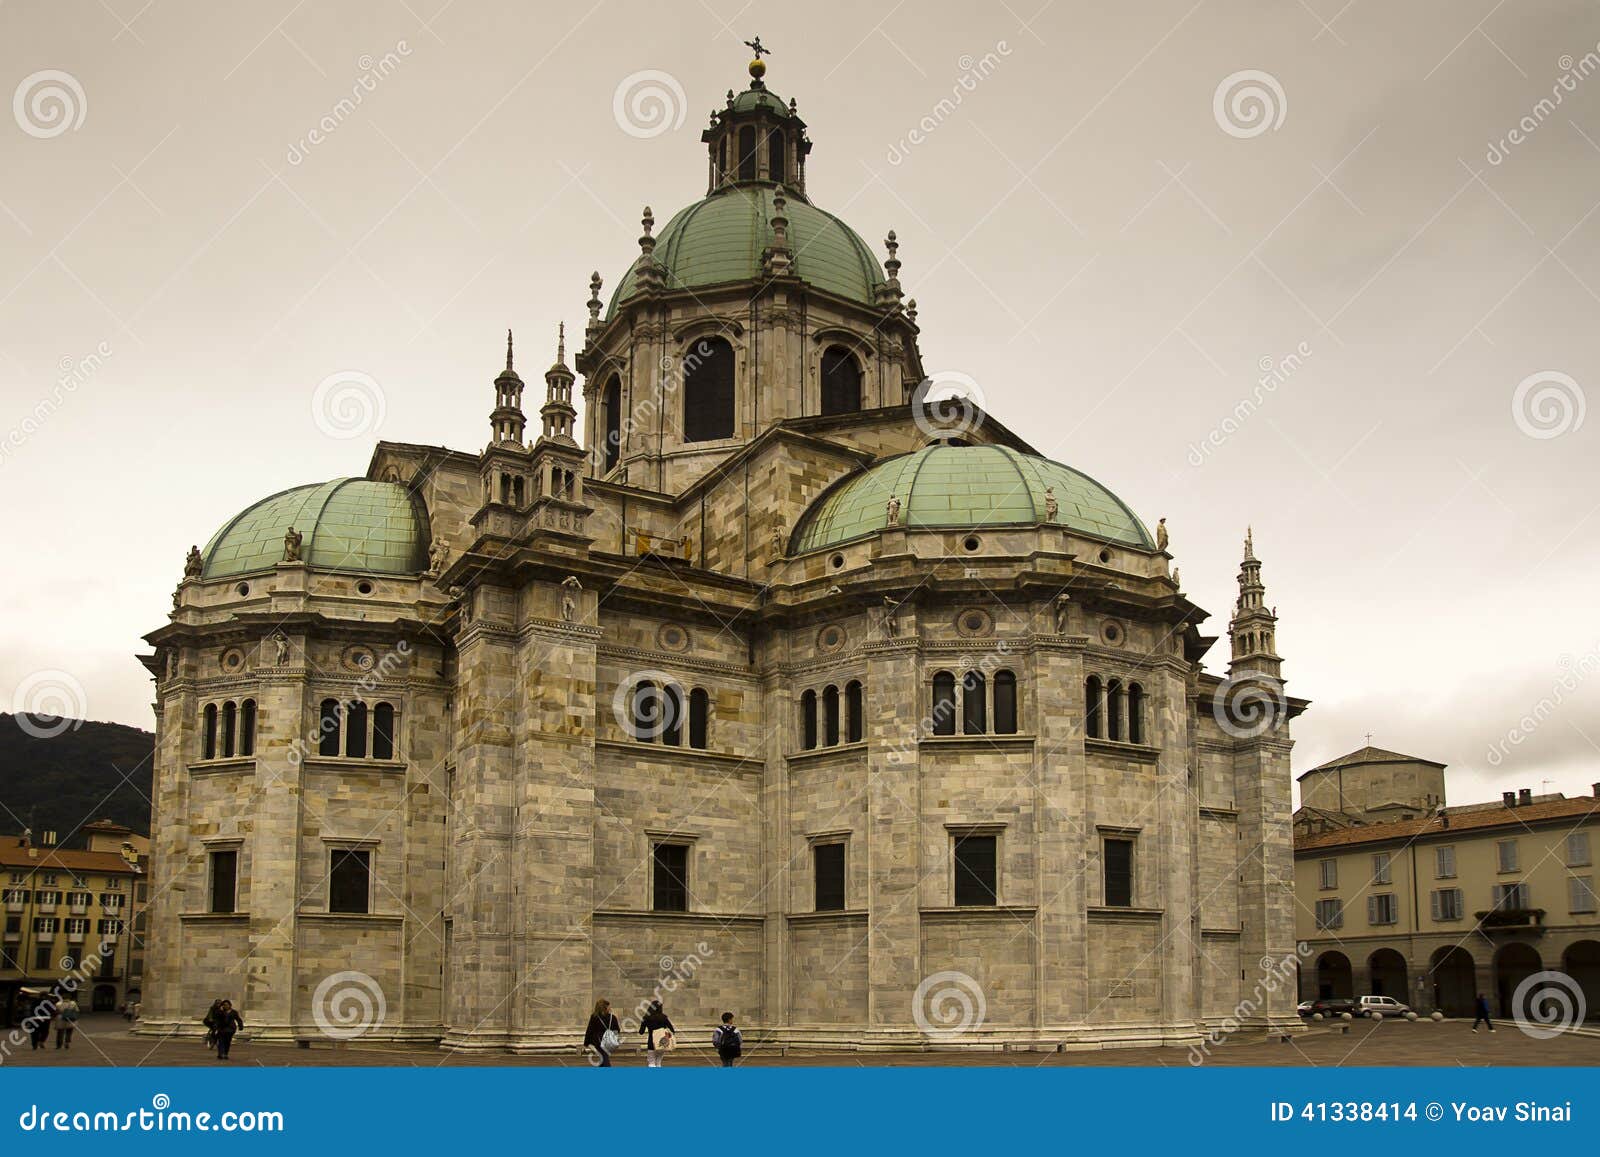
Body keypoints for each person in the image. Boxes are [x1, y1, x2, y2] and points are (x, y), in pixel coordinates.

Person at [583, 998, 621, 1067]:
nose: (610, 1008)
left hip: (598, 1041)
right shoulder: (613, 1017)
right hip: (609, 1041)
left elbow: (590, 1030)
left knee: (603, 1058)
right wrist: (614, 1038)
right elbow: (617, 1030)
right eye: (609, 1006)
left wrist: (586, 1042)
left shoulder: (594, 1017)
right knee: (604, 1058)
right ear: (605, 1007)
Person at [639, 1000, 675, 1068]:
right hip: (662, 1043)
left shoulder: (646, 1018)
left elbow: (641, 1032)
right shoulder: (664, 1017)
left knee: (651, 1062)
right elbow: (672, 1030)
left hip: (651, 1043)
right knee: (658, 1063)